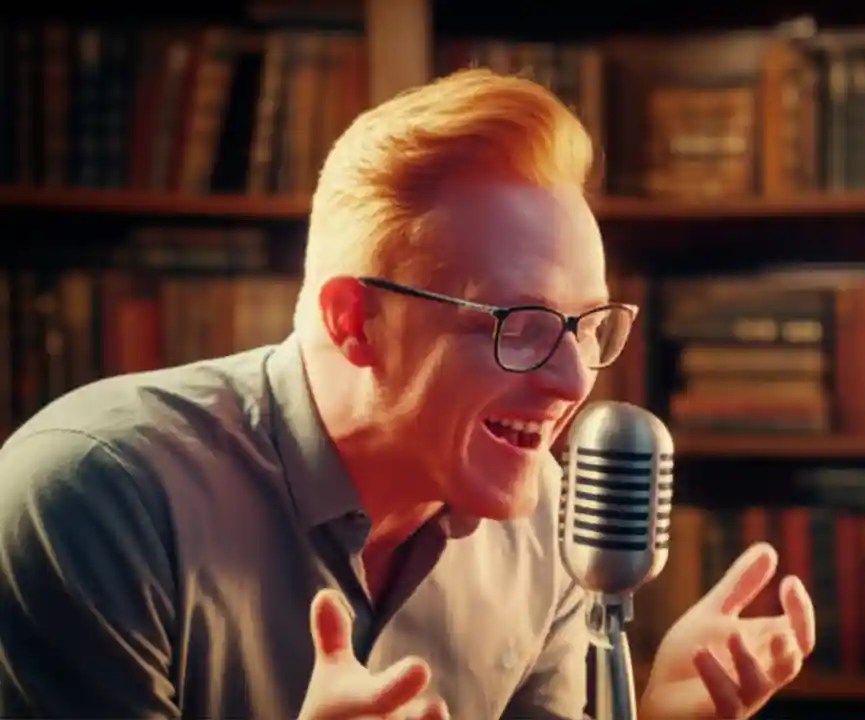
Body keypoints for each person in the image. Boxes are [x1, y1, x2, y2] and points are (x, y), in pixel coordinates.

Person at [0, 68, 816, 719]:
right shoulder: (94, 496)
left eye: (588, 325)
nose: (574, 382)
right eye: (520, 325)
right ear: (356, 322)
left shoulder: (548, 525)